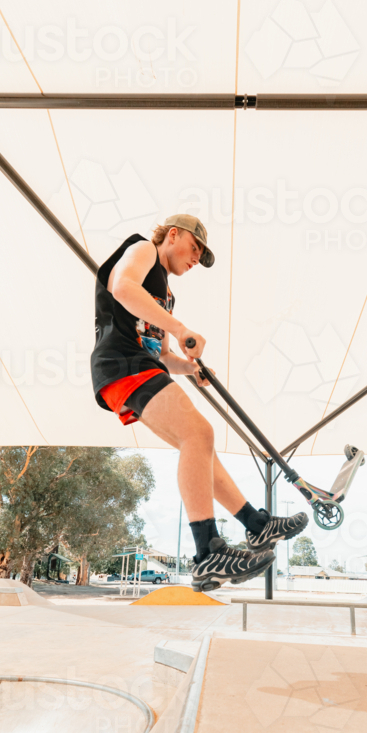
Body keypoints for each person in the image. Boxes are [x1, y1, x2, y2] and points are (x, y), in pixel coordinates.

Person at [90, 214, 308, 591]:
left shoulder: (166, 295)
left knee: (201, 446)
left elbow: (162, 355)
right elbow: (122, 288)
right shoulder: (143, 249)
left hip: (140, 364)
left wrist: (189, 369)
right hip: (122, 364)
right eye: (195, 249)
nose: (196, 260)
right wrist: (181, 327)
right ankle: (208, 554)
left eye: (201, 256)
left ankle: (257, 526)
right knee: (199, 433)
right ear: (172, 235)